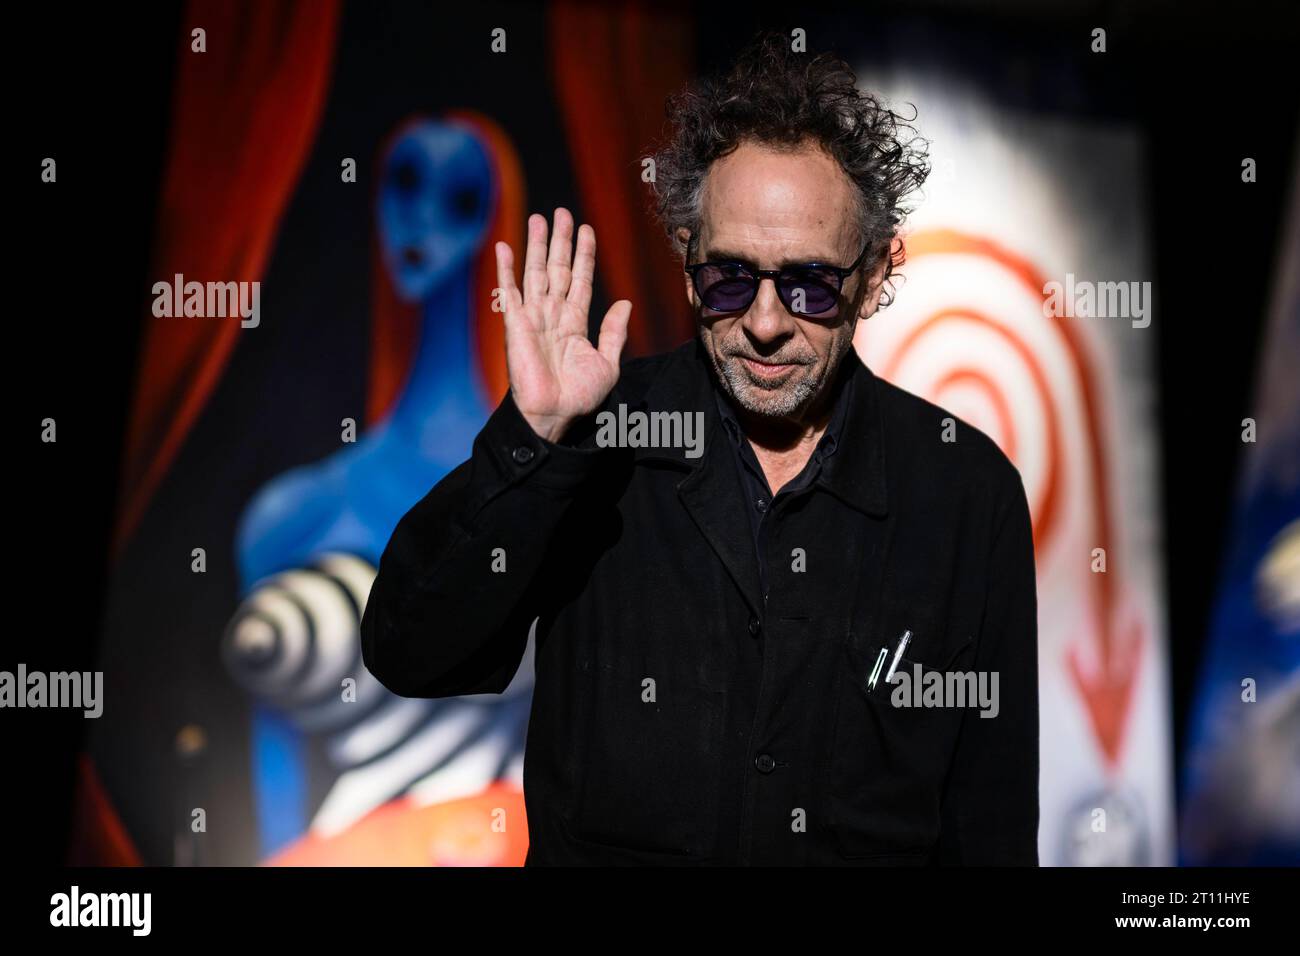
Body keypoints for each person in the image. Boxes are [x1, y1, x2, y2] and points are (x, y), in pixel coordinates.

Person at [360, 32, 1039, 865]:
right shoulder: (597, 438)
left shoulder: (964, 492)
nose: (763, 321)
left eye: (809, 284)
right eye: (729, 278)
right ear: (686, 267)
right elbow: (409, 650)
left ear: (871, 275)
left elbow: (992, 827)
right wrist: (533, 443)